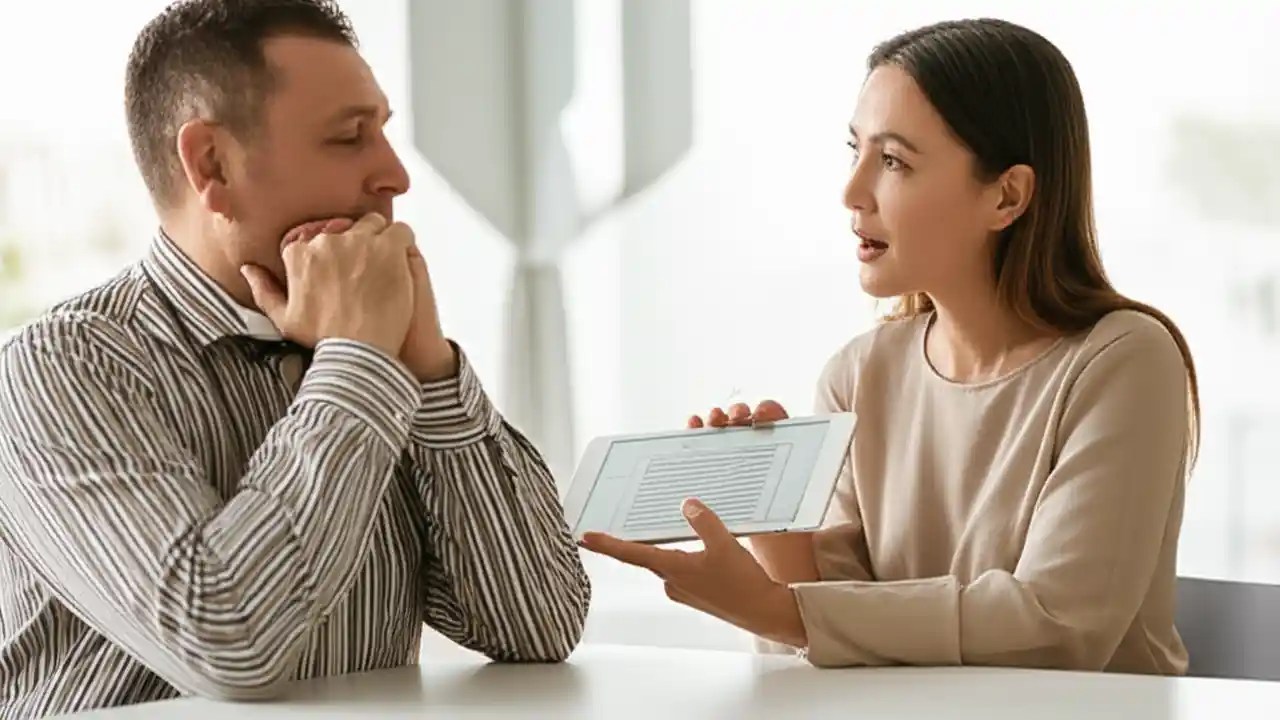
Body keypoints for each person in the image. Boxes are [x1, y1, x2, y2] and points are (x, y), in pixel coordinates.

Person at [0, 1, 589, 716]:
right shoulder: (63, 366)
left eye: (383, 132)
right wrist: (360, 365)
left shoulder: (368, 344)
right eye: (350, 138)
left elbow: (538, 624)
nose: (396, 175)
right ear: (211, 164)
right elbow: (229, 641)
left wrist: (428, 366)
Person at [581, 17, 1198, 675]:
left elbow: (1056, 628)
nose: (852, 193)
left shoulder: (1124, 361)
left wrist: (776, 610)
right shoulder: (859, 374)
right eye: (856, 152)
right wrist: (776, 529)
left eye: (895, 161)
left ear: (1007, 195)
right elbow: (841, 637)